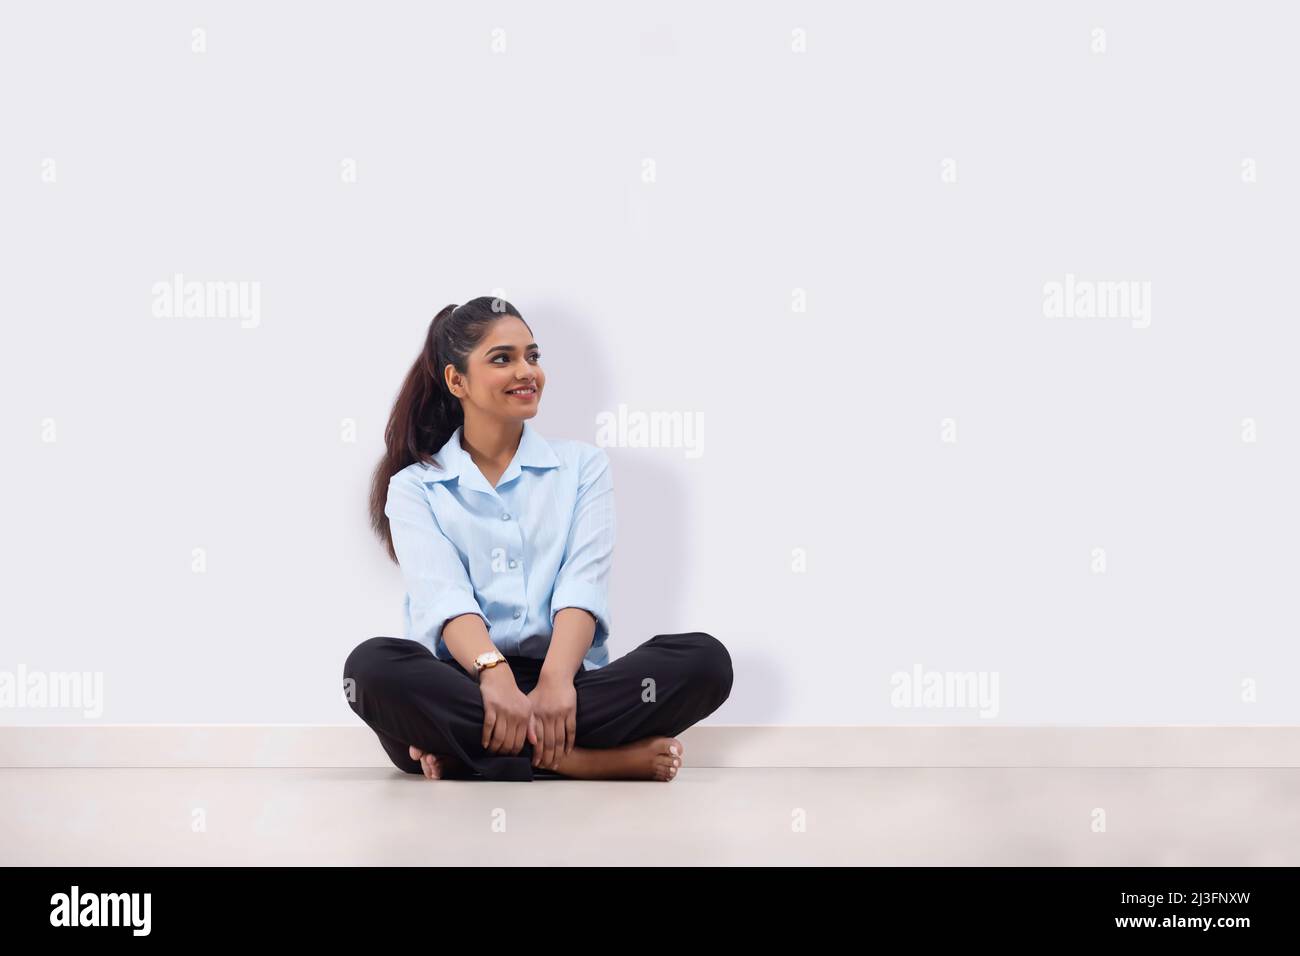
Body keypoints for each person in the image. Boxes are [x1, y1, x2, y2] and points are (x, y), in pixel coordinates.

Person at [344, 297, 733, 781]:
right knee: (371, 669)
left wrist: (553, 684)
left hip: (567, 687)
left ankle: (475, 754)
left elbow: (582, 586)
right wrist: (494, 675)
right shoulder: (416, 486)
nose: (526, 370)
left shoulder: (582, 468)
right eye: (502, 358)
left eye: (532, 355)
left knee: (705, 661)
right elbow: (445, 599)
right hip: (460, 684)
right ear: (456, 380)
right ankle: (580, 760)